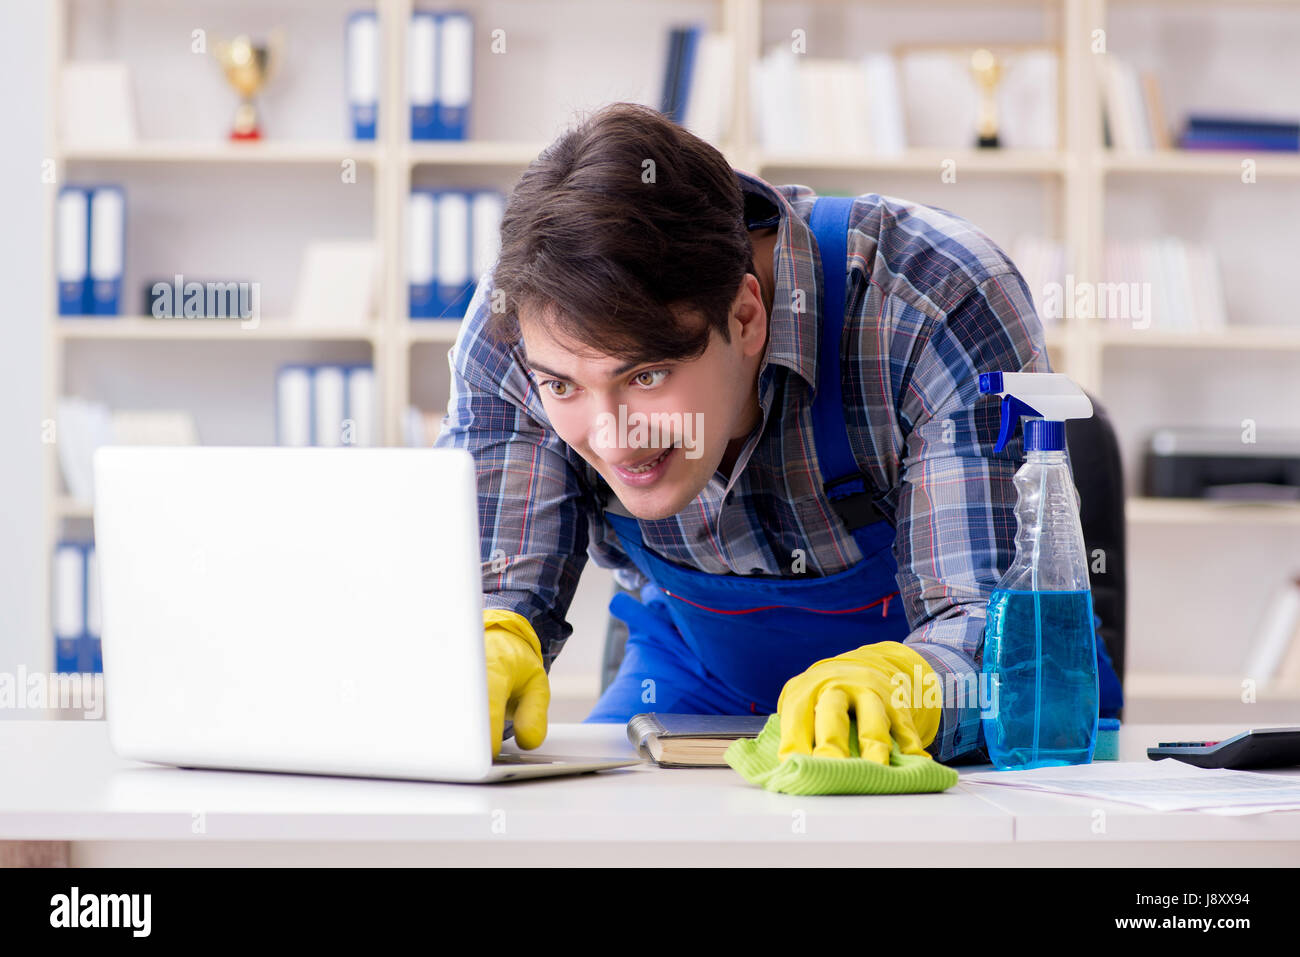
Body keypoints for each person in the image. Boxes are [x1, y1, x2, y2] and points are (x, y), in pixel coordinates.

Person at [436, 101, 1122, 767]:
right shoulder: (521, 323)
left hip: (935, 697)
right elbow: (501, 593)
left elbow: (994, 632)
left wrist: (904, 689)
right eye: (563, 388)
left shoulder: (933, 299)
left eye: (645, 377)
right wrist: (486, 638)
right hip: (695, 687)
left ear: (745, 317)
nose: (612, 437)